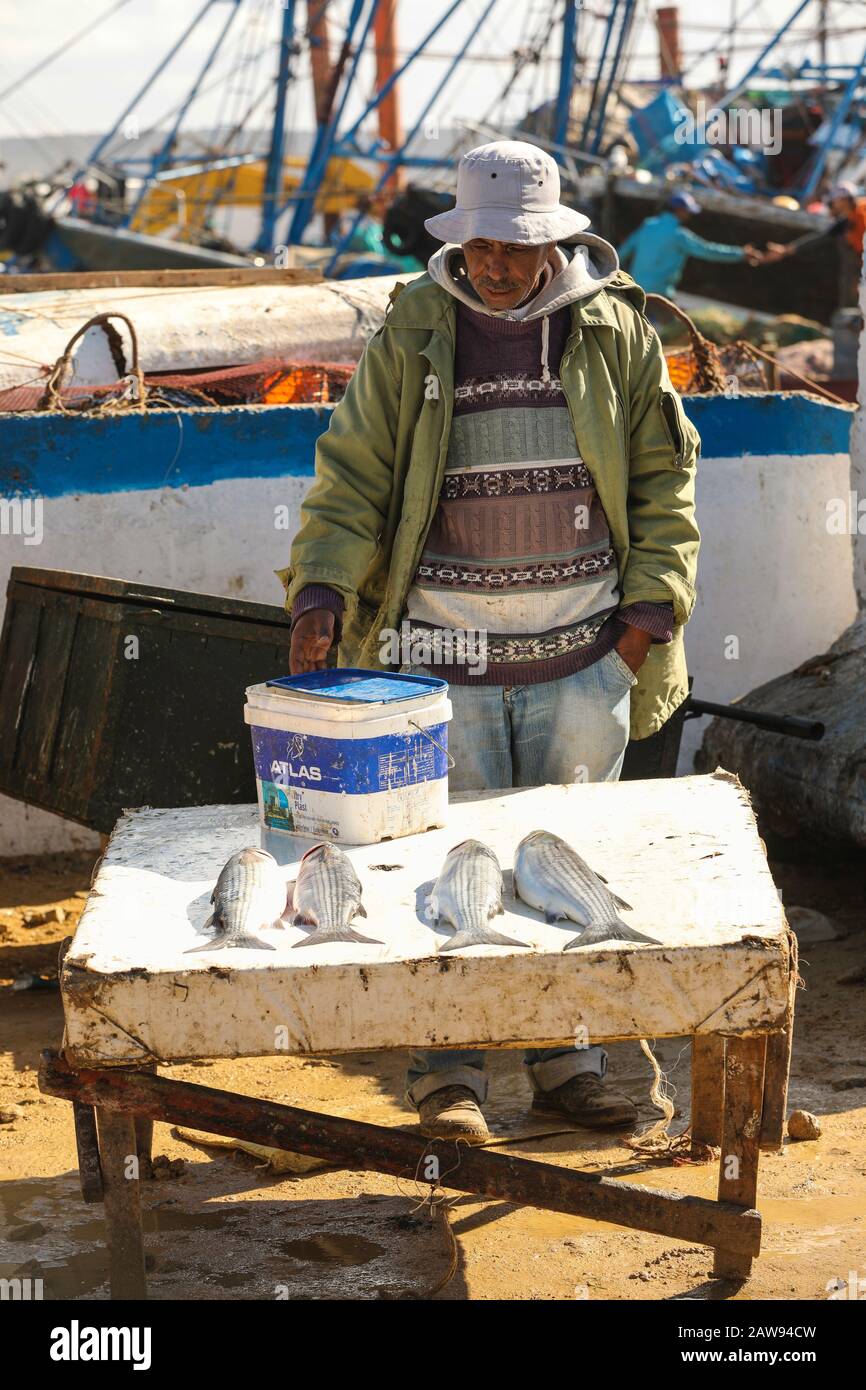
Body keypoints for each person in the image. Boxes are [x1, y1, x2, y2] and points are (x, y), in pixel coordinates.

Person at [280, 140, 700, 1145]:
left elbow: (663, 479)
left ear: (552, 240)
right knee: (448, 869)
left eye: (514, 247)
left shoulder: (614, 332)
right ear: (457, 241)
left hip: (582, 661)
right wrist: (320, 591)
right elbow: (351, 476)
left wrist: (642, 626)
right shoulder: (413, 332)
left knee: (565, 867)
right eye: (480, 245)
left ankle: (569, 1066)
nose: (497, 265)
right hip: (440, 661)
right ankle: (449, 1079)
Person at [618, 190, 763, 299]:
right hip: (659, 295)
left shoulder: (648, 225)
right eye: (688, 211)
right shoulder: (679, 235)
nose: (689, 215)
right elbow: (708, 251)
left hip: (635, 291)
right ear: (680, 210)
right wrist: (740, 253)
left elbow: (622, 253)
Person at [764, 181, 866, 308]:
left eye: (834, 201)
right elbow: (821, 237)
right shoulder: (847, 220)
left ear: (843, 199)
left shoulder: (861, 212)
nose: (832, 205)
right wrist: (785, 250)